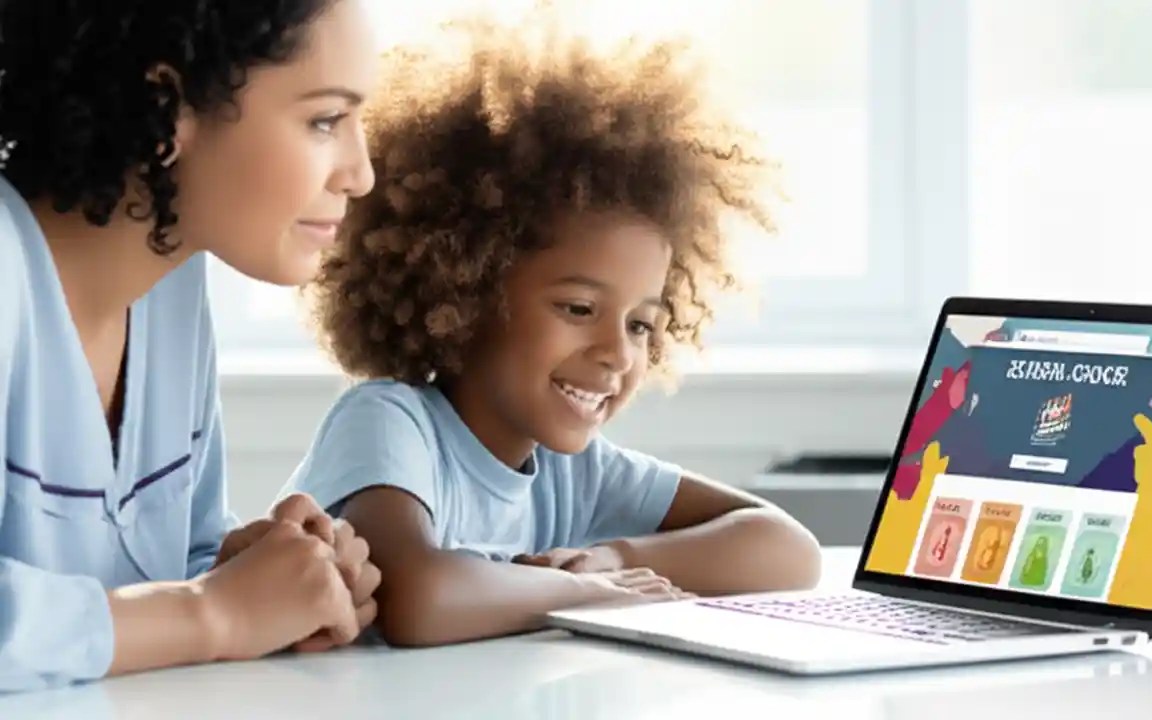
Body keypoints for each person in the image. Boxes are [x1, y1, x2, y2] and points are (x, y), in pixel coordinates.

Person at [278, 10, 823, 648]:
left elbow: (788, 551)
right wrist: (586, 594)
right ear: (467, 288)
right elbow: (417, 597)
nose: (618, 352)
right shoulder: (391, 424)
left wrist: (617, 558)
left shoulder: (575, 473)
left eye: (642, 324)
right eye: (578, 310)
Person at [0, 0, 381, 692]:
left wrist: (252, 575)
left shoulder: (171, 285)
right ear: (166, 106)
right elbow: (190, 613)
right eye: (325, 120)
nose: (361, 173)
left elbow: (176, 568)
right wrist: (211, 612)